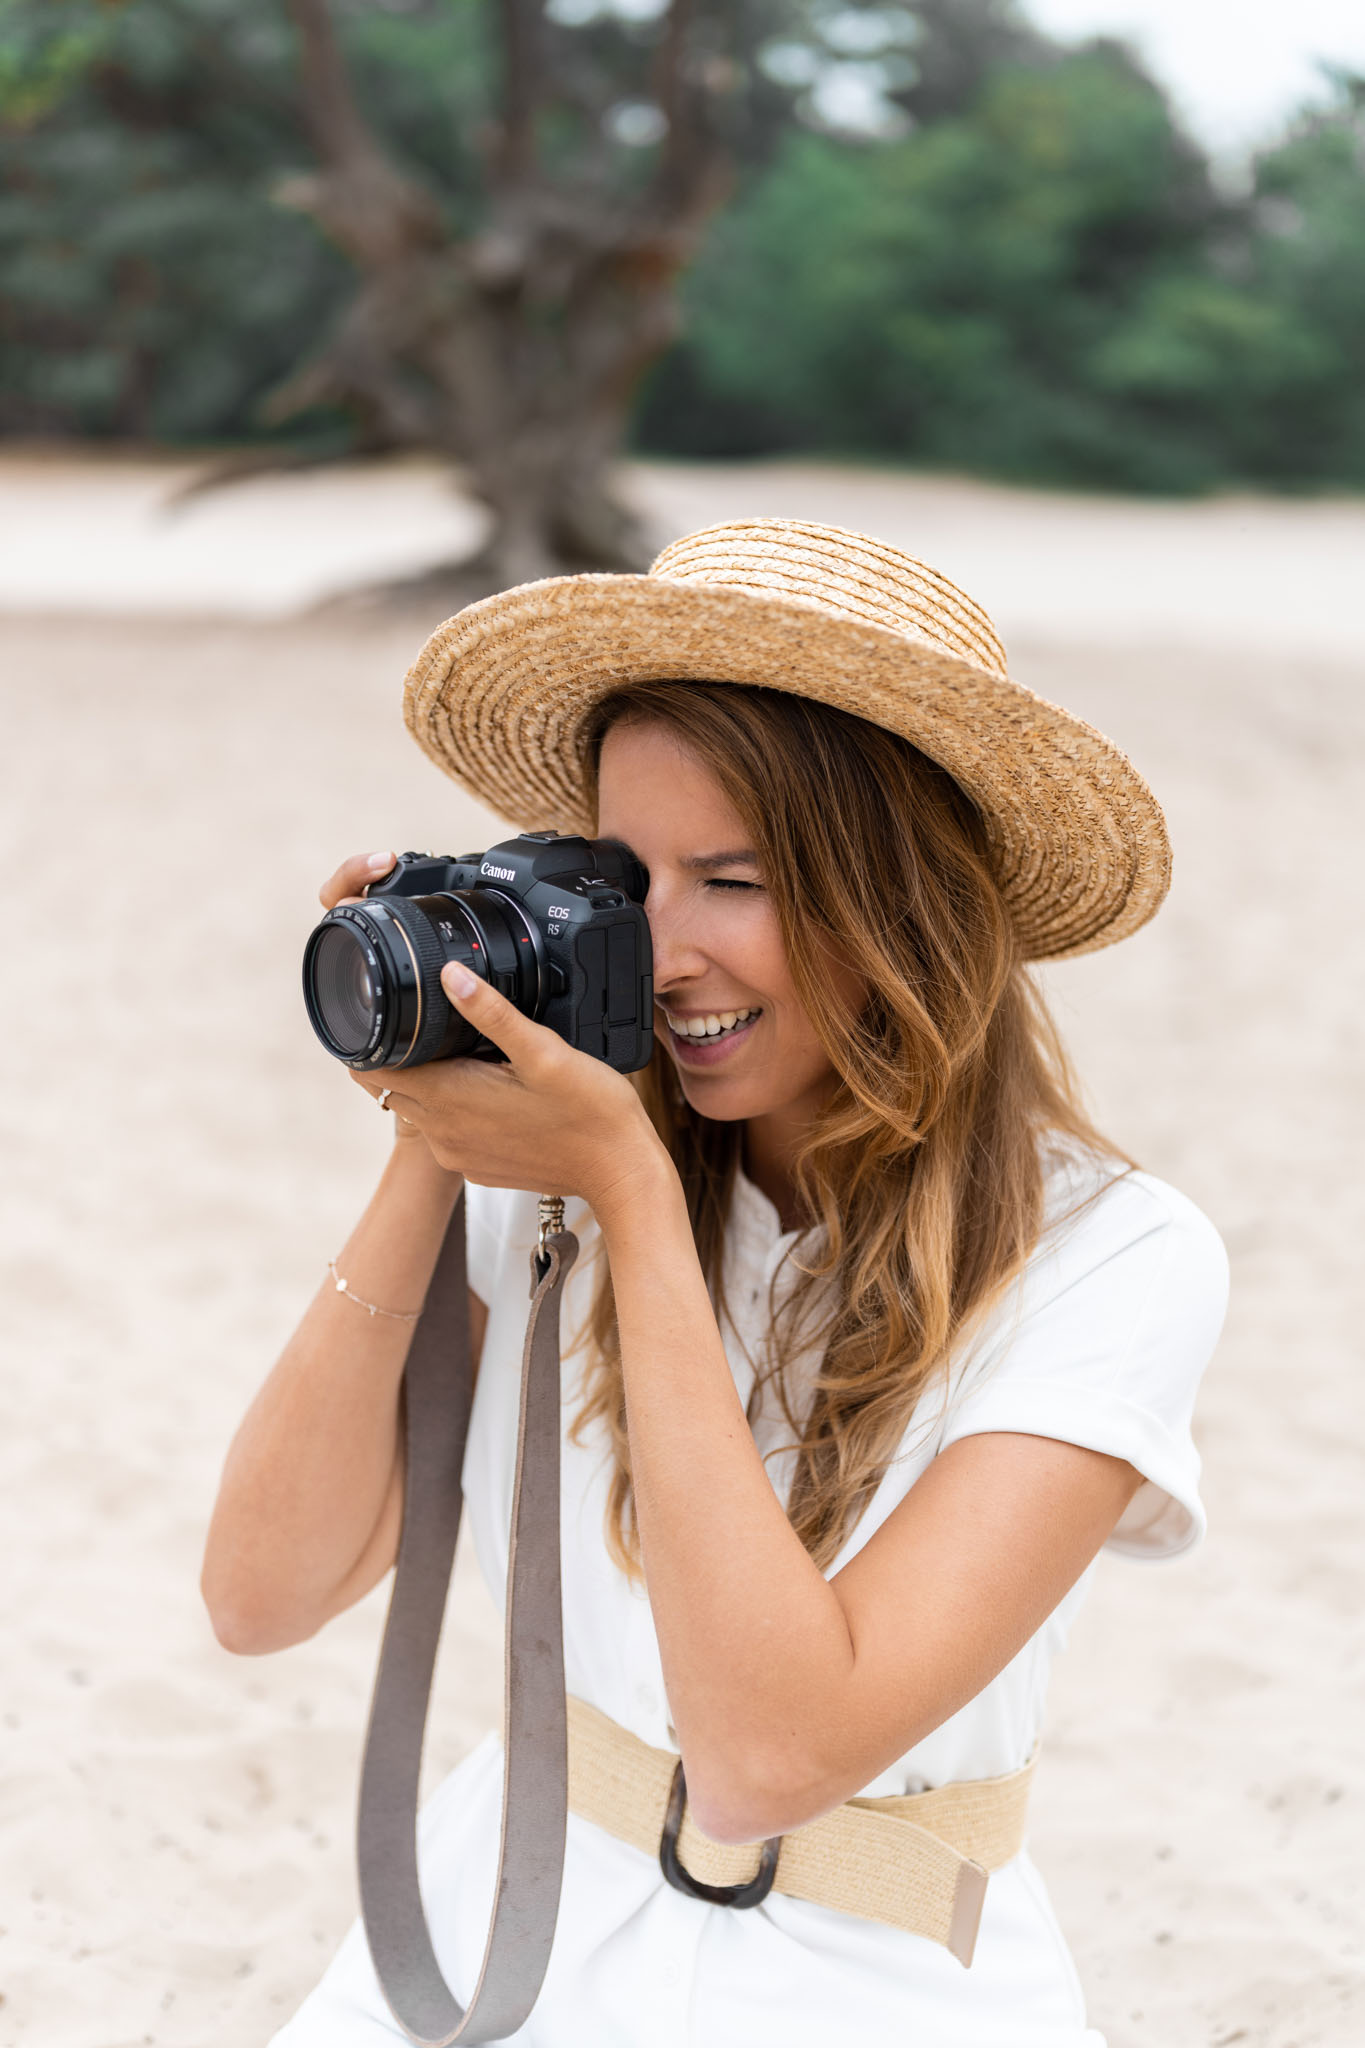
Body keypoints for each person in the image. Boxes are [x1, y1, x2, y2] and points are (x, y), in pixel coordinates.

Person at [202, 519, 1229, 2046]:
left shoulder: (1114, 1259)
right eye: (624, 882)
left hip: (868, 1983)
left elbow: (767, 1757)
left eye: (731, 880)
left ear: (904, 903)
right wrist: (434, 1113)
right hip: (510, 1922)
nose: (666, 951)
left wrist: (628, 1193)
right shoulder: (554, 1175)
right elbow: (261, 1594)